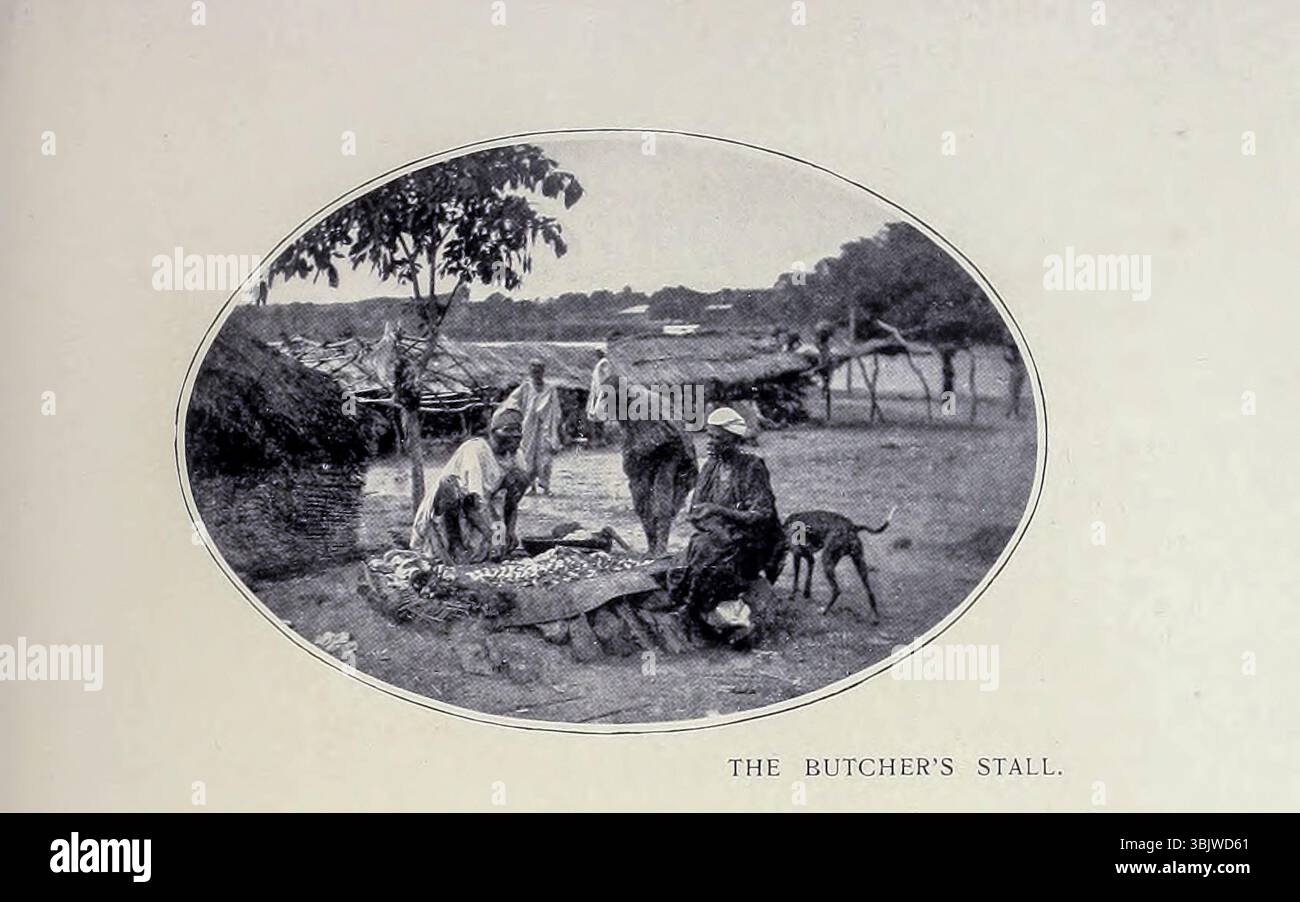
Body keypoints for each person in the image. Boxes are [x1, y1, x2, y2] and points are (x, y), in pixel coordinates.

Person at [668, 407, 785, 643]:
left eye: (718, 438)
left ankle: (693, 613)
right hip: (718, 536)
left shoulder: (752, 467)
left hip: (752, 542)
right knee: (687, 560)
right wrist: (707, 520)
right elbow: (697, 509)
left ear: (734, 440)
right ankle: (698, 610)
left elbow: (762, 514)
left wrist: (719, 512)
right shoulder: (711, 467)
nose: (710, 443)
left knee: (707, 559)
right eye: (709, 436)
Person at [409, 407, 529, 564]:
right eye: (508, 430)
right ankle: (455, 547)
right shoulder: (476, 450)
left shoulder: (516, 456)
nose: (515, 435)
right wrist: (493, 537)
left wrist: (509, 531)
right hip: (453, 512)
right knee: (450, 487)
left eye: (518, 430)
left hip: (486, 512)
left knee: (518, 480)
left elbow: (509, 502)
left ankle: (491, 548)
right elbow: (470, 506)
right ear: (493, 432)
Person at [504, 358, 562, 494]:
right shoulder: (526, 387)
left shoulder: (550, 389)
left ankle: (545, 485)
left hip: (546, 427)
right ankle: (530, 486)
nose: (536, 374)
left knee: (545, 456)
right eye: (533, 371)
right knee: (527, 455)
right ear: (530, 372)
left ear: (543, 372)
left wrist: (556, 427)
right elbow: (512, 401)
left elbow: (556, 409)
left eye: (539, 371)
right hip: (529, 427)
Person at [585, 348, 613, 446]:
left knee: (599, 416)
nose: (597, 354)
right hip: (597, 392)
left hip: (601, 391)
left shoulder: (604, 363)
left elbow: (606, 376)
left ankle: (601, 439)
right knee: (595, 417)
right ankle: (598, 438)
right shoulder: (599, 363)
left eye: (599, 352)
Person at [1004, 342, 1026, 419]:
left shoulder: (1015, 355)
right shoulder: (1020, 355)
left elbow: (1010, 360)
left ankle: (1010, 413)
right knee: (1016, 395)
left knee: (1013, 394)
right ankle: (1015, 412)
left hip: (1015, 374)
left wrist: (1005, 356)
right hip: (1021, 374)